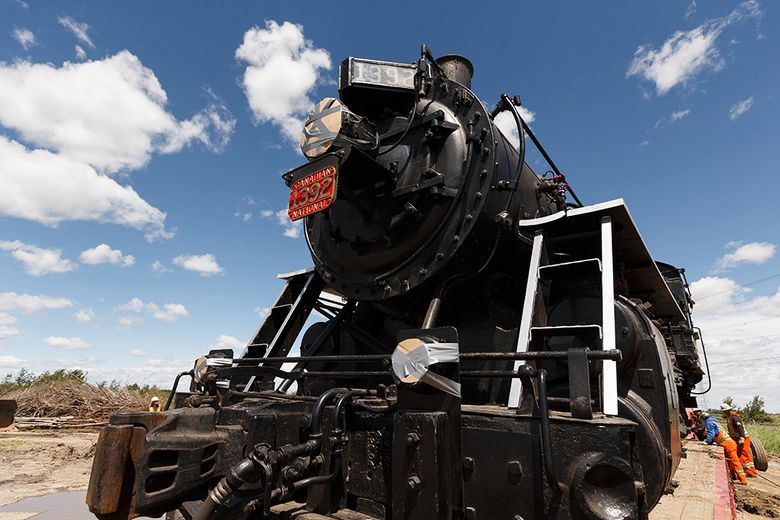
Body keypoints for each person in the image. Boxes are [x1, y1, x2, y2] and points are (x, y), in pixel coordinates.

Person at [704, 411, 748, 484]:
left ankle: (743, 480)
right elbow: (716, 435)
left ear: (704, 418)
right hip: (729, 444)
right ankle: (734, 477)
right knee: (731, 462)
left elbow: (712, 434)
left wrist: (707, 442)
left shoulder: (709, 423)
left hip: (729, 445)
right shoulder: (715, 422)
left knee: (735, 462)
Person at [721, 403, 757, 478]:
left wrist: (742, 437)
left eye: (724, 411)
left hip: (742, 438)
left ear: (727, 410)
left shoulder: (734, 417)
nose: (724, 413)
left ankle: (749, 472)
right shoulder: (730, 417)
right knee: (745, 454)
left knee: (742, 455)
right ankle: (751, 470)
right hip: (738, 437)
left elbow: (739, 428)